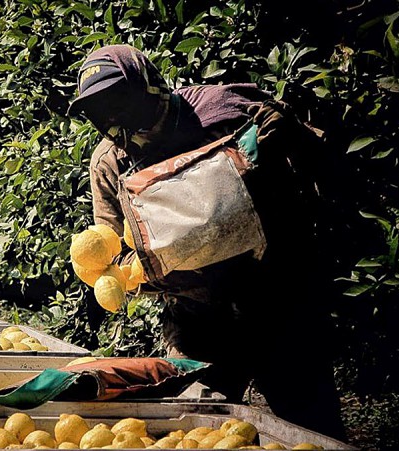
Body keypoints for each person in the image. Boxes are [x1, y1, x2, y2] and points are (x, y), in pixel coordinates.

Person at [67, 44, 346, 441]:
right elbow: (112, 250)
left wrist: (289, 139)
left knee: (311, 429)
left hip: (277, 299)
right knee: (195, 431)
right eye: (100, 111)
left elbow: (320, 163)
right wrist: (130, 269)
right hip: (196, 317)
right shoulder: (110, 164)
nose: (113, 119)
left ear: (149, 88)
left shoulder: (217, 114)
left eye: (119, 101)